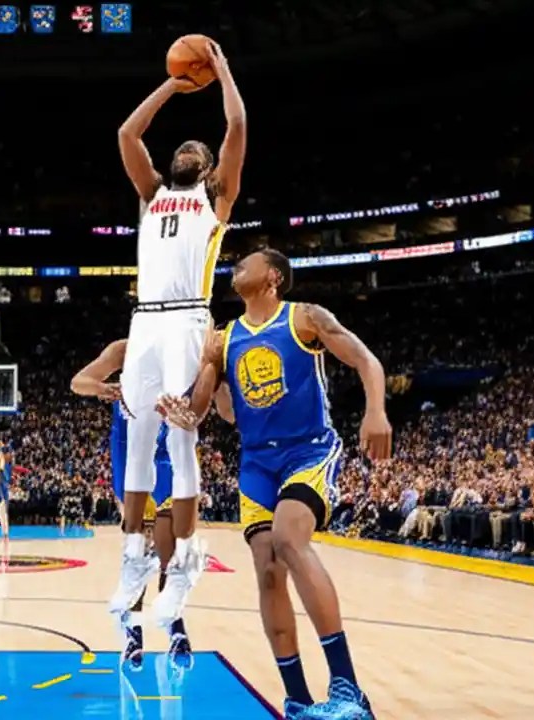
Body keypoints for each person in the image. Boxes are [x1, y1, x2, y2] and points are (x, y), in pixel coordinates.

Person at [162, 247, 391, 720]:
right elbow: (203, 411)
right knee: (267, 570)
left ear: (273, 276)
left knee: (288, 539)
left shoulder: (304, 317)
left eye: (246, 262)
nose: (235, 267)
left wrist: (375, 410)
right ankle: (298, 699)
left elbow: (366, 358)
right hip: (256, 464)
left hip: (307, 450)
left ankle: (348, 688)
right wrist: (194, 388)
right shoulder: (224, 339)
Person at [112, 38, 247, 628]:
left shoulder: (215, 199)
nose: (189, 148)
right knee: (139, 434)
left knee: (177, 435)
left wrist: (218, 73)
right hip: (144, 320)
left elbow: (237, 122)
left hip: (189, 314)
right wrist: (173, 85)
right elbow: (126, 135)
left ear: (212, 167)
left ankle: (186, 560)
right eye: (184, 145)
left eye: (199, 146)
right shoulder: (152, 196)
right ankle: (134, 556)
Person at [71, 339, 214, 669]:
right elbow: (78, 382)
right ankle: (134, 631)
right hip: (131, 446)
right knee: (141, 544)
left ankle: (175, 625)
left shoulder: (192, 348)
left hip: (172, 445)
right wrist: (102, 388)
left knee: (172, 547)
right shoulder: (126, 348)